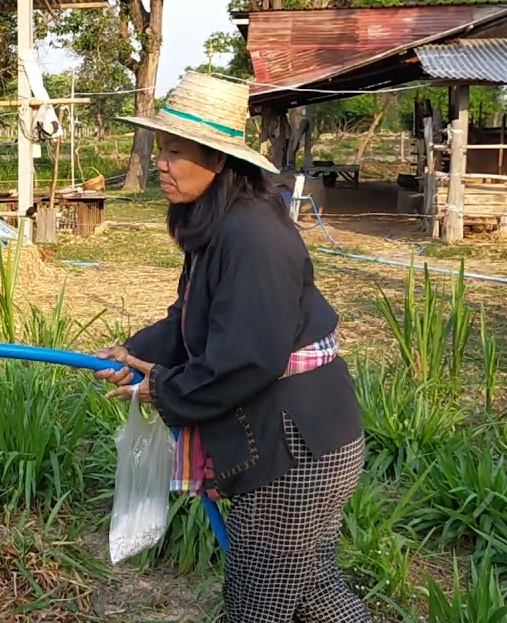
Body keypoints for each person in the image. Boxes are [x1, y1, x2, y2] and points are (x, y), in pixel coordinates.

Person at [92, 72, 369, 623]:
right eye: (159, 151)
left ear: (218, 161)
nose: (160, 165)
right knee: (312, 590)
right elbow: (189, 317)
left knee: (257, 606)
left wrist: (164, 388)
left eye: (174, 153)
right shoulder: (215, 223)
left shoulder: (252, 237)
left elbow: (247, 358)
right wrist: (132, 354)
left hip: (296, 447)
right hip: (298, 437)